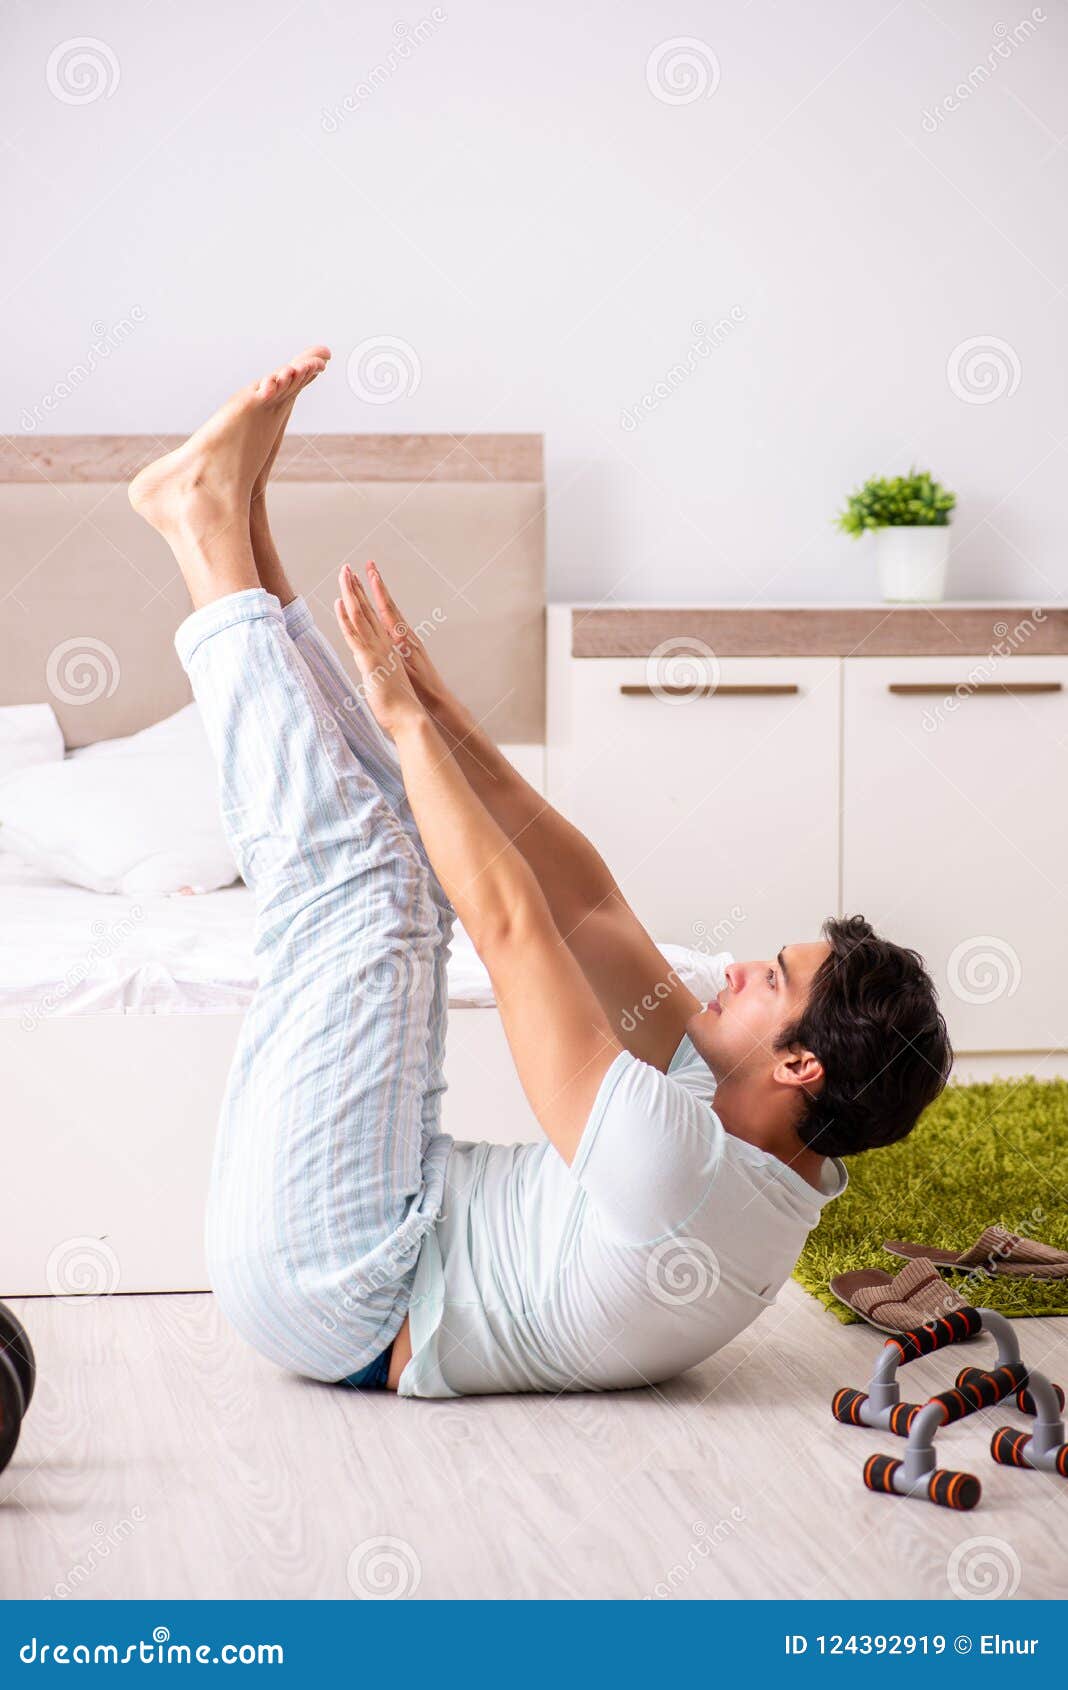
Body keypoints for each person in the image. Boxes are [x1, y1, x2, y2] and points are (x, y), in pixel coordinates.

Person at [129, 346, 953, 1399]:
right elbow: (587, 904)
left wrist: (402, 719)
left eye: (775, 980)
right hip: (399, 1219)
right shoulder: (760, 1130)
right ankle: (234, 529)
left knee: (375, 892)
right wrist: (434, 712)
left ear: (801, 1066)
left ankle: (198, 529)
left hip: (344, 1296)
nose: (740, 968)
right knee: (407, 831)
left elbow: (514, 930)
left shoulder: (684, 1177)